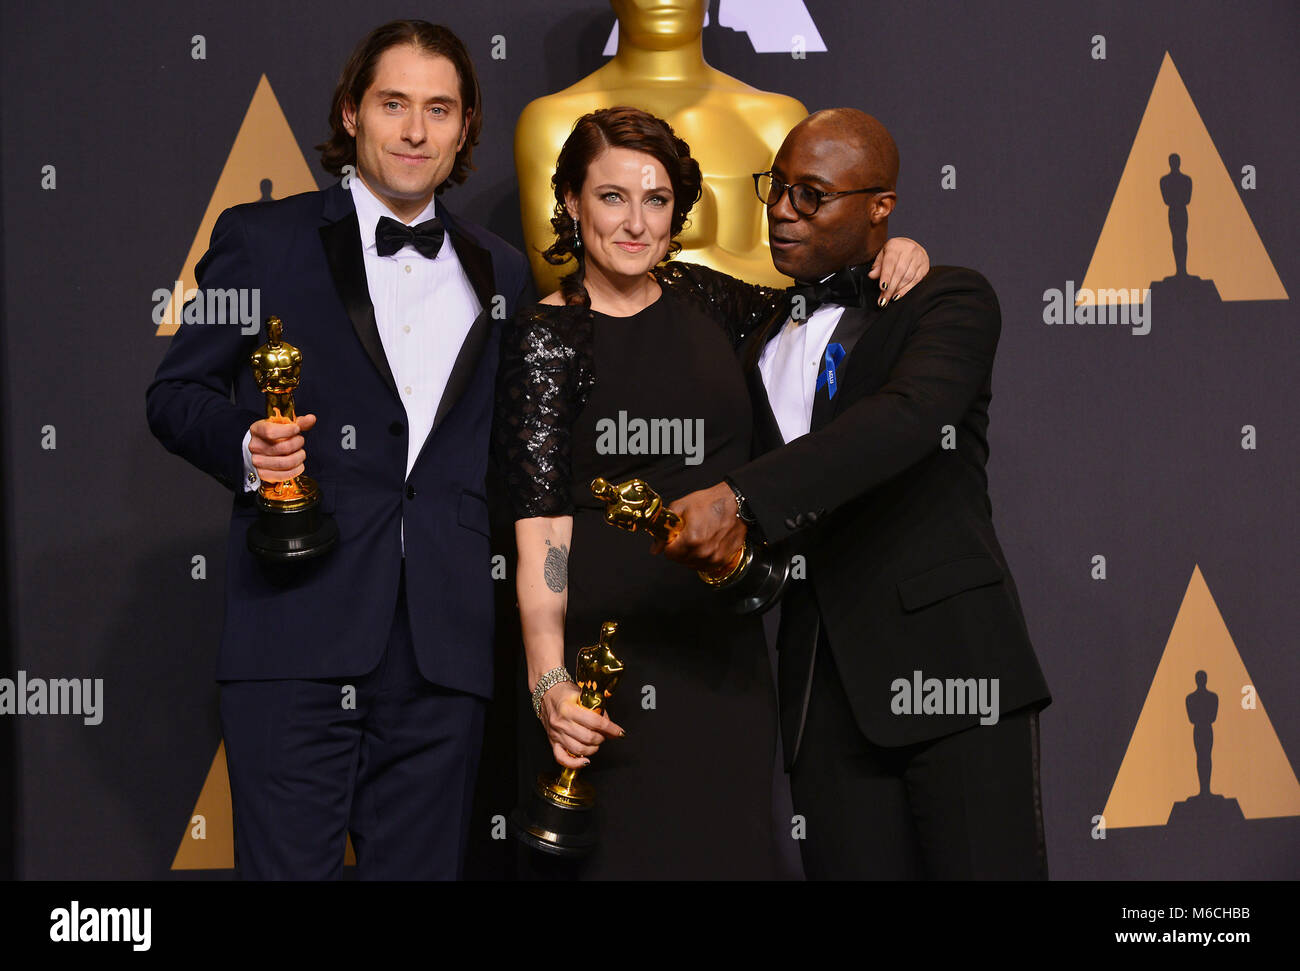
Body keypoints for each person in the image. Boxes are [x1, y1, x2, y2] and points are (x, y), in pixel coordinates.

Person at [493, 105, 928, 878]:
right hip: (605, 664)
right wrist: (550, 677)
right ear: (570, 204)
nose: (635, 222)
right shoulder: (546, 334)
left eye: (656, 199)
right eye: (611, 197)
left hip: (721, 659)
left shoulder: (709, 299)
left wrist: (896, 255)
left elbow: (825, 306)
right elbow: (543, 527)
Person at [146, 20, 529, 879]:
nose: (416, 131)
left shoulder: (502, 270)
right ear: (352, 112)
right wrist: (249, 444)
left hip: (445, 649)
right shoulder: (262, 238)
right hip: (296, 626)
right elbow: (174, 395)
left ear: (467, 128)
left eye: (440, 109)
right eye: (394, 104)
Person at [664, 108, 1052, 879]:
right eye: (776, 188)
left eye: (812, 195)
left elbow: (903, 422)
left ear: (881, 207)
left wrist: (737, 496)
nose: (780, 210)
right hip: (821, 698)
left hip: (953, 676)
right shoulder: (754, 332)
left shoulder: (948, 300)